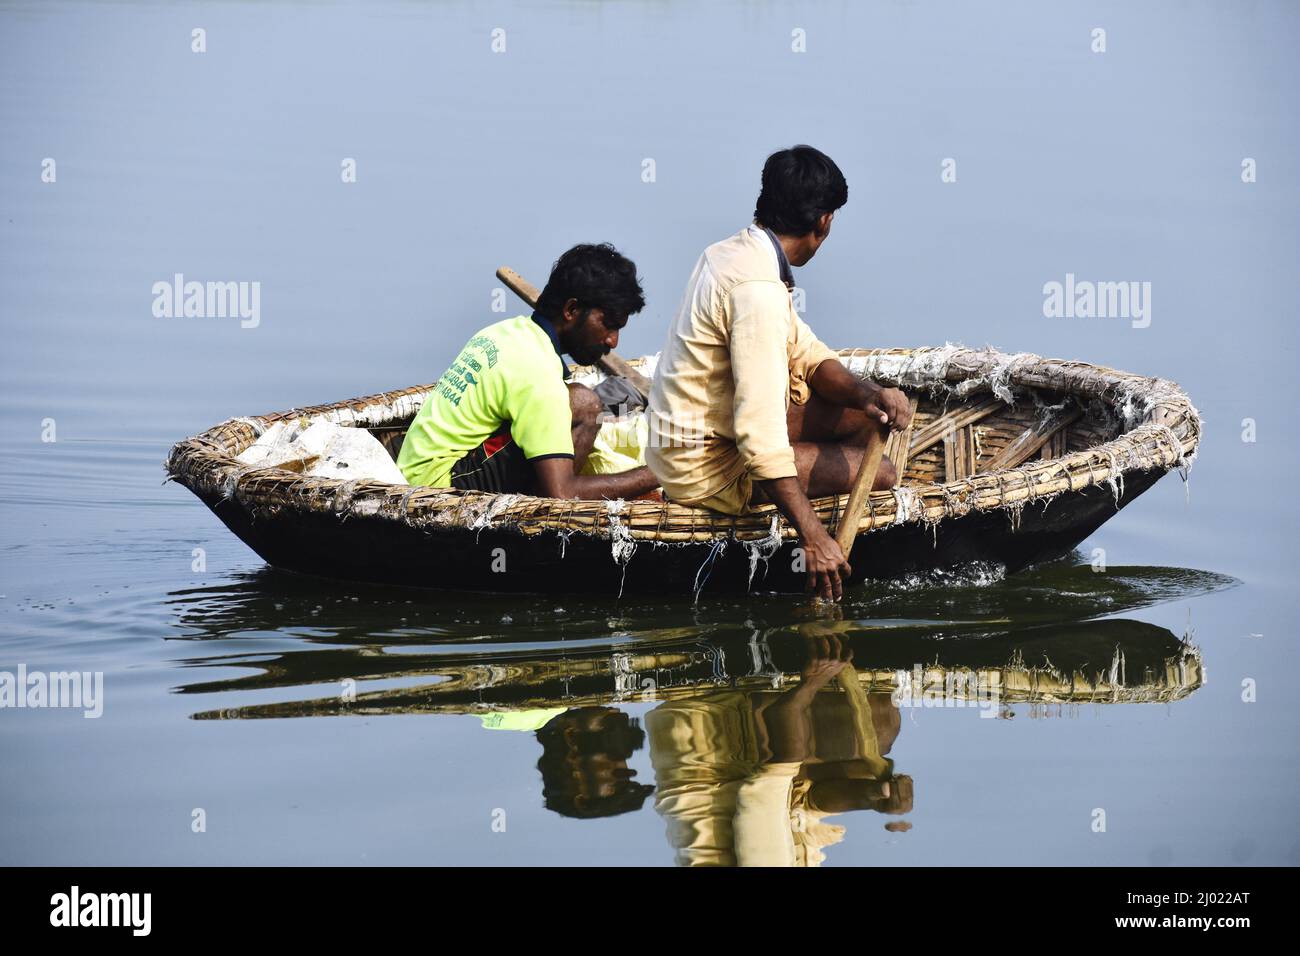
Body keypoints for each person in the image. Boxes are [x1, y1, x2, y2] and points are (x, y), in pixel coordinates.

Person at [646, 146, 912, 600]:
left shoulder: (734, 253)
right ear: (823, 221)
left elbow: (806, 351)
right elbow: (759, 431)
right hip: (705, 466)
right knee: (883, 472)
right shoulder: (757, 291)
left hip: (694, 431)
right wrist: (812, 536)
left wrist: (866, 393)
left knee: (871, 418)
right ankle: (790, 497)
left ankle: (815, 463)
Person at [398, 243, 661, 499]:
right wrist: (661, 473)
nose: (612, 341)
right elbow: (562, 494)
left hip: (418, 468)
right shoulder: (538, 374)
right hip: (438, 487)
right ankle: (536, 512)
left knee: (578, 400)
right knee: (585, 405)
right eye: (609, 325)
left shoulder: (507, 331)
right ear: (571, 310)